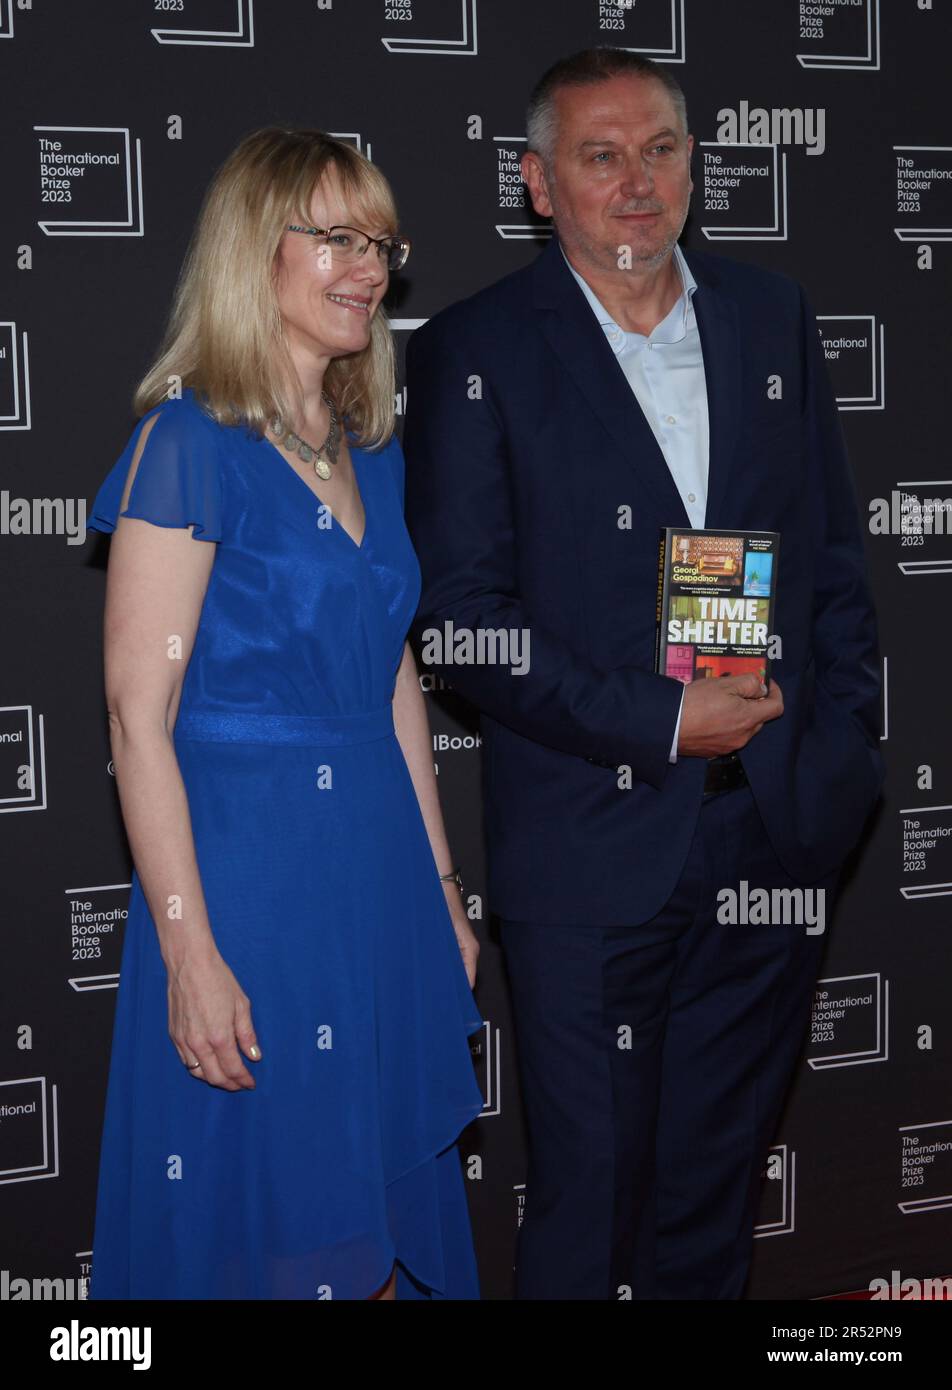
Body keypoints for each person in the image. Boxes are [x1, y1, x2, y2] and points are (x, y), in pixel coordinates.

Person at [402, 49, 884, 1299]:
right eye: (600, 156)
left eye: (660, 150)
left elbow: (833, 566)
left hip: (771, 836)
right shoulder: (476, 348)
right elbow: (462, 623)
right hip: (589, 851)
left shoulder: (769, 314)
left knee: (709, 1203)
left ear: (693, 165)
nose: (636, 182)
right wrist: (668, 719)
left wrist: (834, 761)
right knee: (586, 1209)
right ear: (538, 183)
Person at [85, 127, 483, 1301]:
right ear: (255, 252)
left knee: (386, 1208)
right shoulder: (189, 443)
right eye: (338, 238)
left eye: (383, 242)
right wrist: (188, 949)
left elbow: (391, 680)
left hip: (375, 877)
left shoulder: (371, 452)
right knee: (291, 1226)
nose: (372, 267)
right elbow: (134, 714)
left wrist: (442, 889)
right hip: (251, 885)